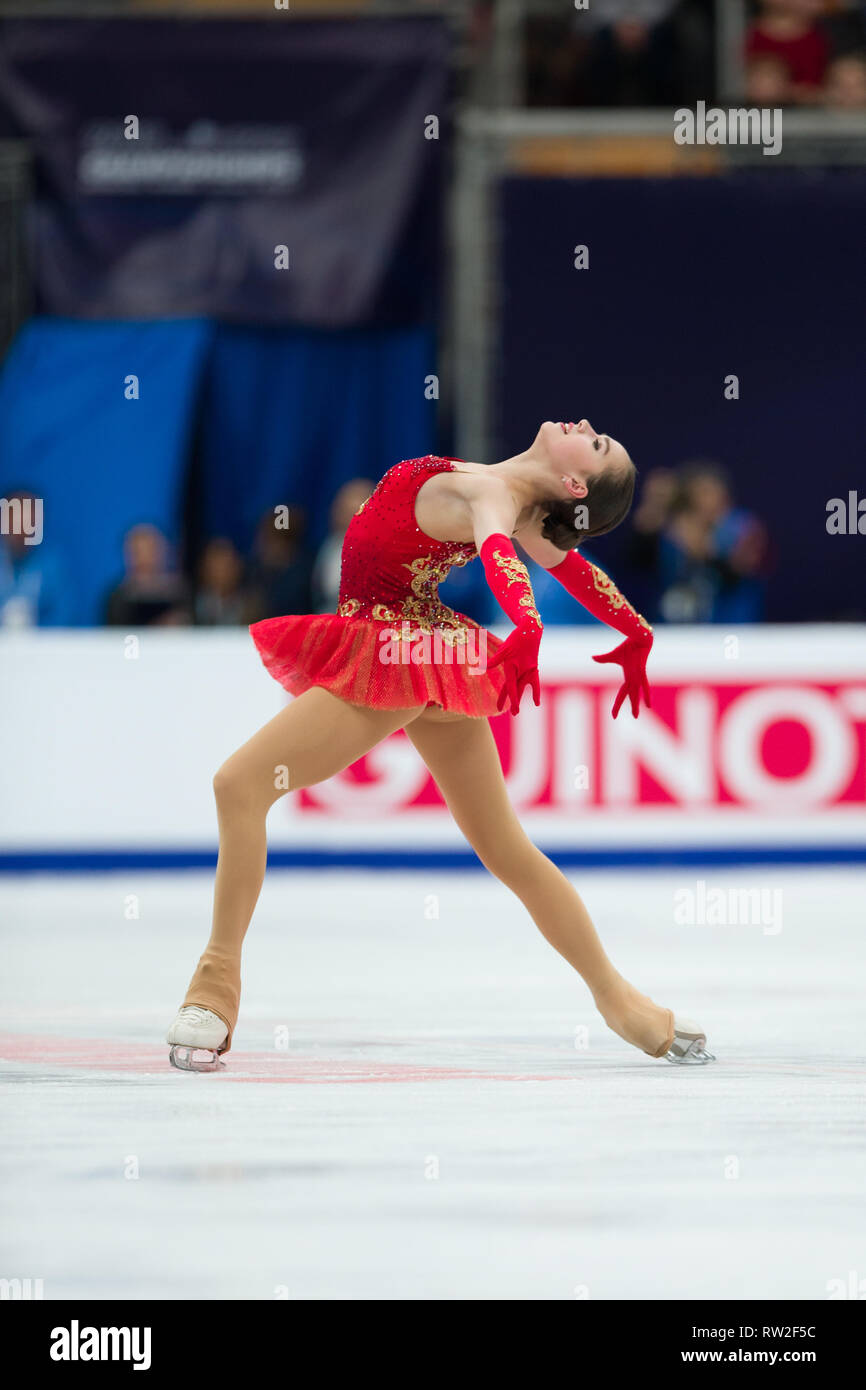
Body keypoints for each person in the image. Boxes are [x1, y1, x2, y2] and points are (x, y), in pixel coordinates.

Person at [166, 421, 714, 1072]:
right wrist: (635, 629)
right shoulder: (516, 500)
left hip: (394, 654)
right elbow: (572, 567)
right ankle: (626, 1005)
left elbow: (499, 558)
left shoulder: (495, 500)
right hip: (431, 648)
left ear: (574, 483)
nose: (590, 428)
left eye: (598, 446)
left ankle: (213, 991)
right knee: (507, 848)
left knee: (239, 786)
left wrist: (530, 627)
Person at [104, 524, 188, 627]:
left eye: (151, 549)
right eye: (137, 551)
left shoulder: (182, 593)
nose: (145, 558)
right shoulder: (117, 599)